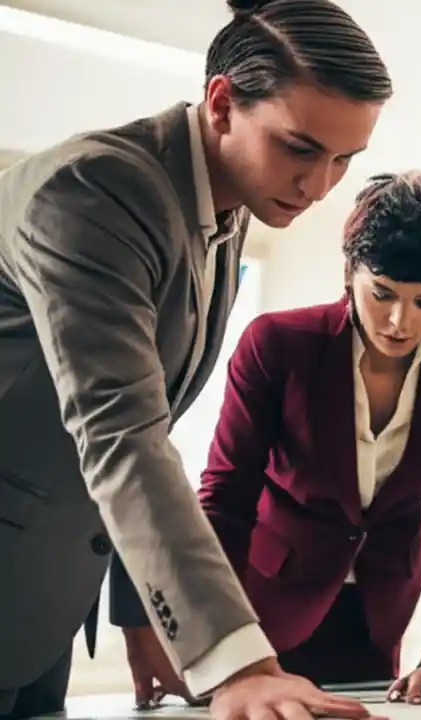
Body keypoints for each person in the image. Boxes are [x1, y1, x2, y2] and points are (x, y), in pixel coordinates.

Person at [0, 0, 392, 717]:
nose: (319, 186)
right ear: (220, 104)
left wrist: (144, 615)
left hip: (39, 601)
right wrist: (236, 664)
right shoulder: (94, 191)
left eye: (344, 160)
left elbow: (146, 415)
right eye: (300, 148)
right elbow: (119, 432)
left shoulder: (231, 206)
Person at [198, 171, 421, 706]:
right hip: (259, 610)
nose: (401, 322)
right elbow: (225, 498)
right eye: (382, 294)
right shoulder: (277, 344)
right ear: (349, 271)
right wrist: (222, 647)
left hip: (380, 611)